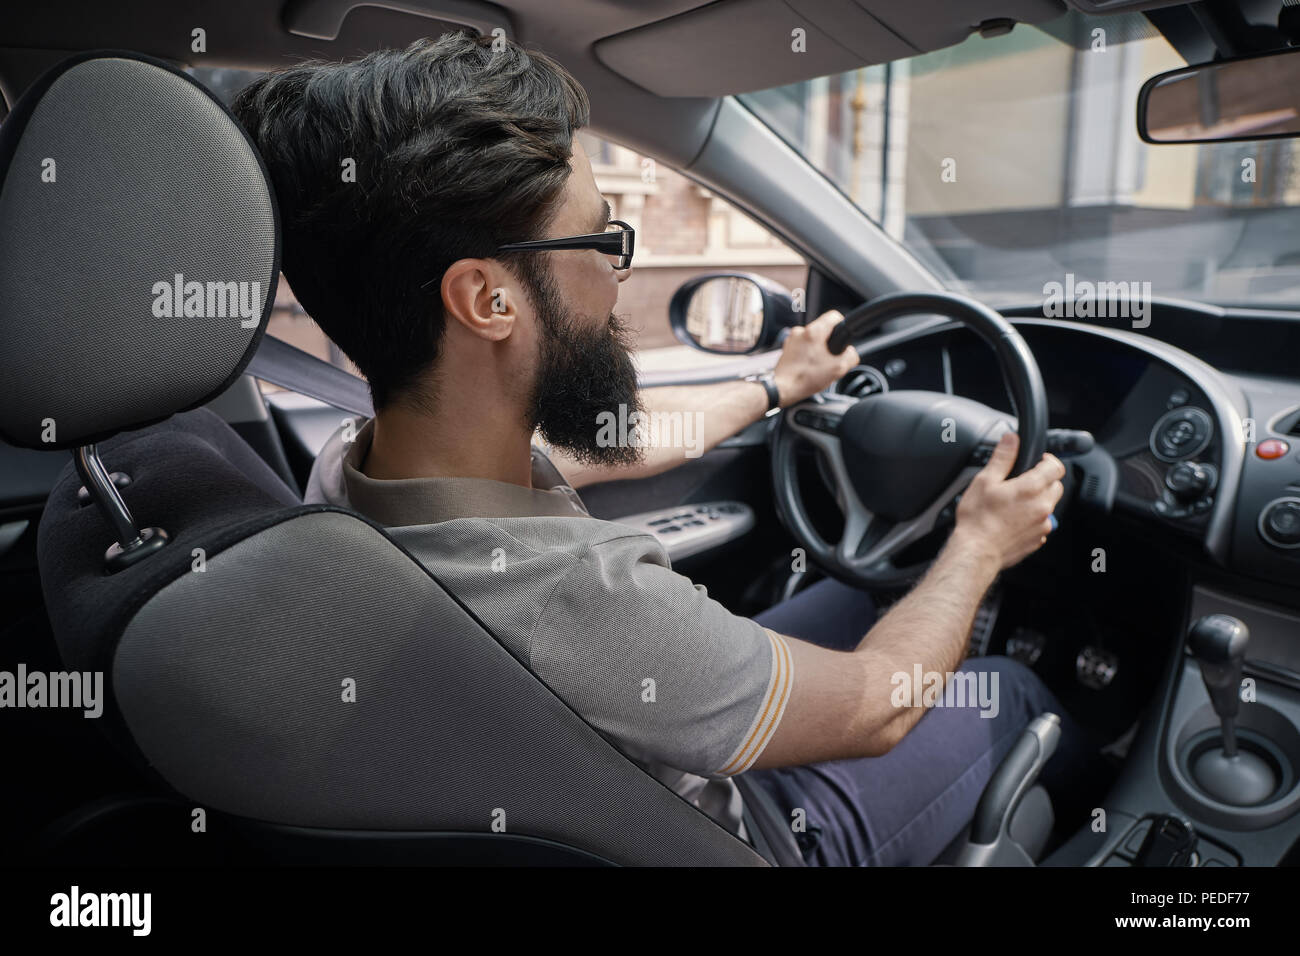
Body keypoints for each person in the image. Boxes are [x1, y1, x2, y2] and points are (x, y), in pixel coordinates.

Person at [234, 31, 1105, 866]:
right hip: (751, 834)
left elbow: (624, 442)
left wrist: (775, 386)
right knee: (1009, 689)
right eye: (603, 240)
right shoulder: (578, 603)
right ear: (486, 301)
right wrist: (983, 542)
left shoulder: (363, 466)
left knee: (860, 593)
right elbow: (880, 708)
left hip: (643, 768)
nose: (618, 272)